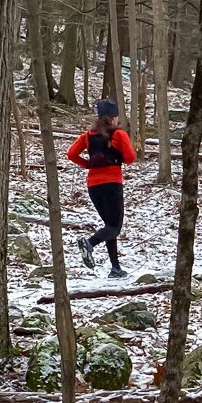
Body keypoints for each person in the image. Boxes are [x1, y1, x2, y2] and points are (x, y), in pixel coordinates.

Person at [67, 99, 135, 277]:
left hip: (93, 186)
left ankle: (115, 268)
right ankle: (90, 243)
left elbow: (71, 154)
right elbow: (130, 158)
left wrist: (87, 164)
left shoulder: (88, 136)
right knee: (114, 227)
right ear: (113, 118)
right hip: (112, 184)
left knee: (109, 226)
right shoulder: (118, 134)